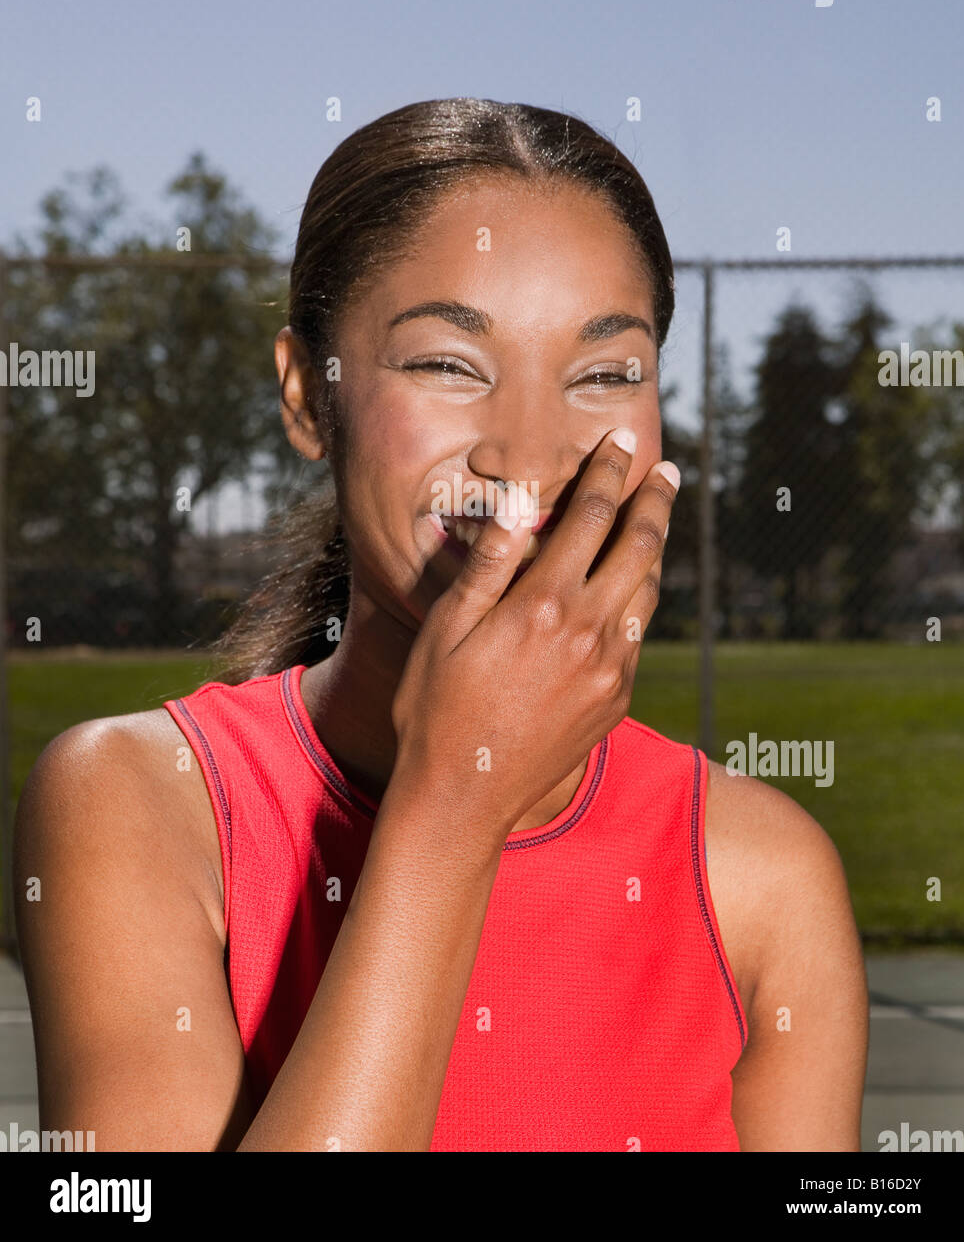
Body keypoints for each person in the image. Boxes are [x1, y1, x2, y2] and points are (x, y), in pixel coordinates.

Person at [14, 98, 868, 1152]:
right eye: (448, 366)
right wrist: (454, 801)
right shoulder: (139, 803)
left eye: (604, 373)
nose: (529, 450)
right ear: (304, 397)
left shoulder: (762, 873)